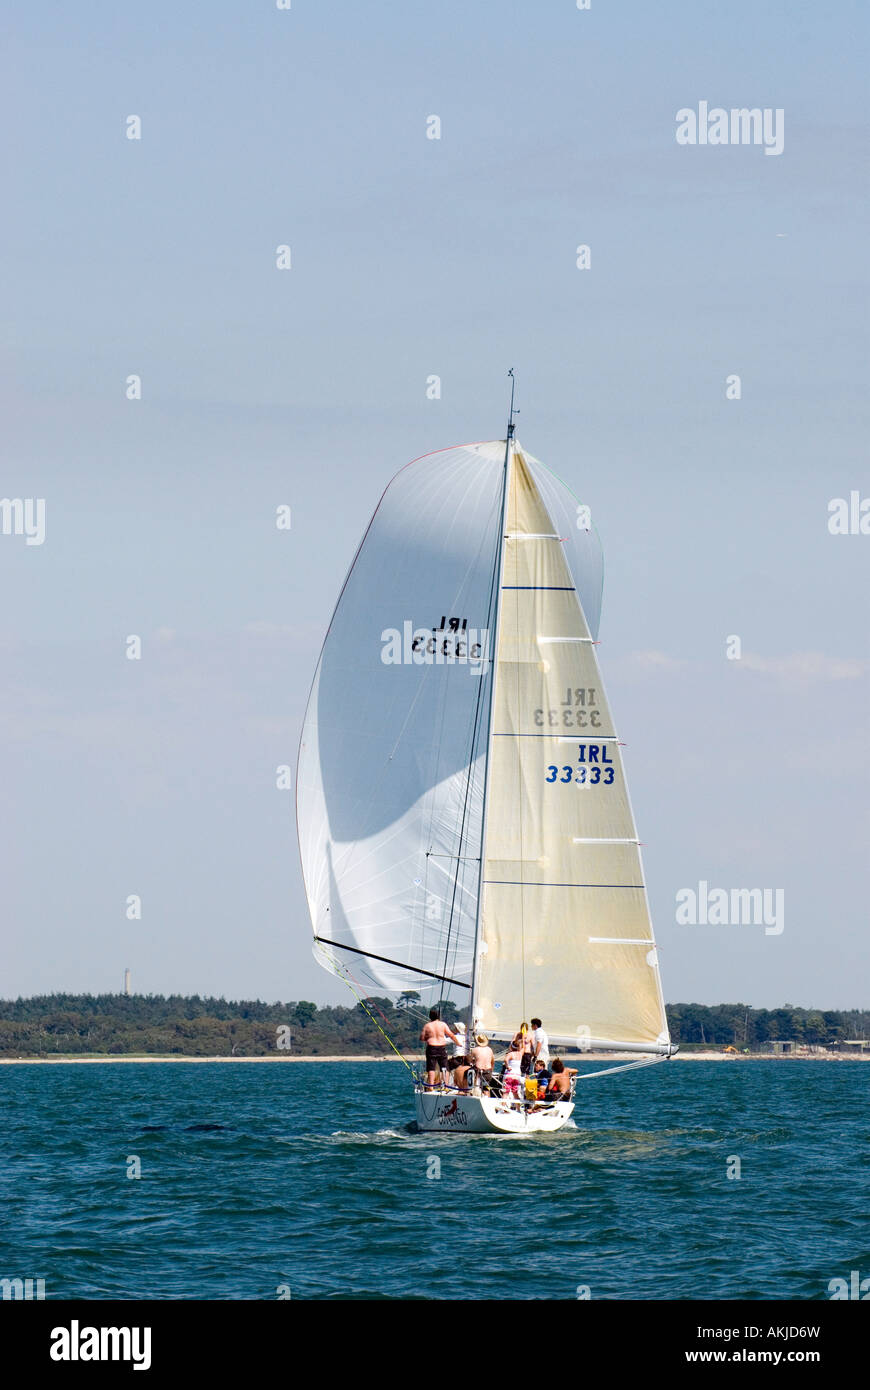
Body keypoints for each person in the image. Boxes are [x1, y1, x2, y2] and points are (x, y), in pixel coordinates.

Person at [420, 1008, 458, 1089]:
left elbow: (422, 1038)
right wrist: (458, 1043)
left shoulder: (427, 1025)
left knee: (431, 1068)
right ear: (438, 1016)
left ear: (430, 1016)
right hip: (441, 1047)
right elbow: (451, 1035)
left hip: (431, 1047)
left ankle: (431, 1086)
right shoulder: (443, 1024)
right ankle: (446, 1086)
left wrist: (429, 1037)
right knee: (445, 1067)